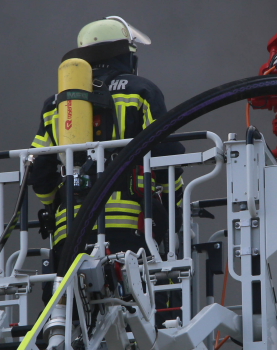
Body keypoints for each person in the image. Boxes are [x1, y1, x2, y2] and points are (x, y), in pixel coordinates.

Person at [28, 16, 184, 262]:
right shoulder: (141, 90)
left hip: (69, 230)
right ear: (127, 56)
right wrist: (173, 208)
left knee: (65, 296)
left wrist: (55, 203)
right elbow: (167, 157)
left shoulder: (57, 104)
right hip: (131, 227)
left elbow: (38, 172)